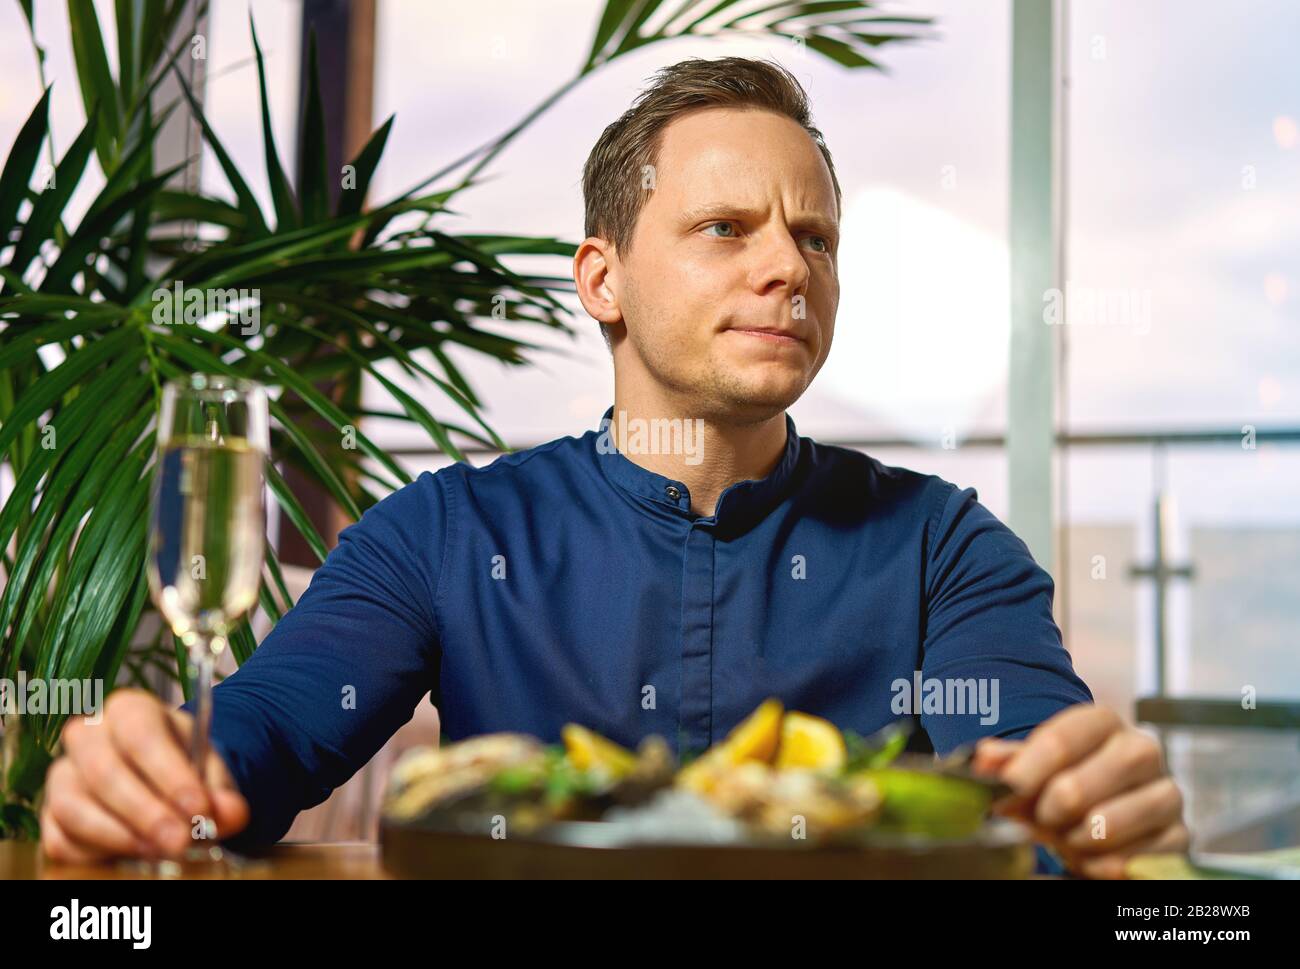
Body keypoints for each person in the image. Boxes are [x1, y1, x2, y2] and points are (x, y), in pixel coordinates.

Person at [41, 57, 1186, 878]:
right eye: (727, 228)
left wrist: (1095, 815)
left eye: (817, 238)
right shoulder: (444, 533)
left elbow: (1041, 792)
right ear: (603, 280)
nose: (789, 266)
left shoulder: (945, 543)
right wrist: (159, 779)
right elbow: (267, 736)